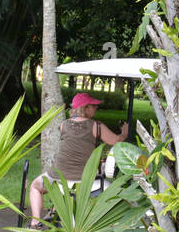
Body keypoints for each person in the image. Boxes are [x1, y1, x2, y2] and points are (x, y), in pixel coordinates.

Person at [29, 92, 128, 225]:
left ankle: (35, 223)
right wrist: (125, 132)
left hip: (59, 177)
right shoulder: (96, 126)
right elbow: (117, 141)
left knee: (35, 187)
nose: (96, 108)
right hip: (83, 180)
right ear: (85, 108)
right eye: (93, 106)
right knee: (118, 191)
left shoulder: (63, 124)